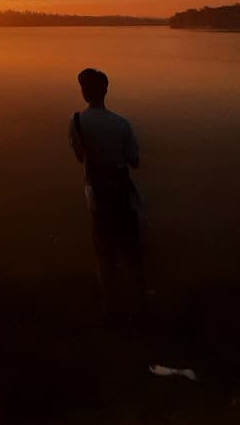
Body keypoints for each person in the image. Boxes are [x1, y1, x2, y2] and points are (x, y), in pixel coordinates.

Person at [69, 68, 144, 323]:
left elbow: (80, 157)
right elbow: (134, 161)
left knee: (104, 252)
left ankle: (109, 308)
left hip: (96, 195)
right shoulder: (122, 124)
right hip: (122, 194)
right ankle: (137, 306)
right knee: (131, 250)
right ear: (106, 91)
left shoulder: (76, 121)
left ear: (84, 92)